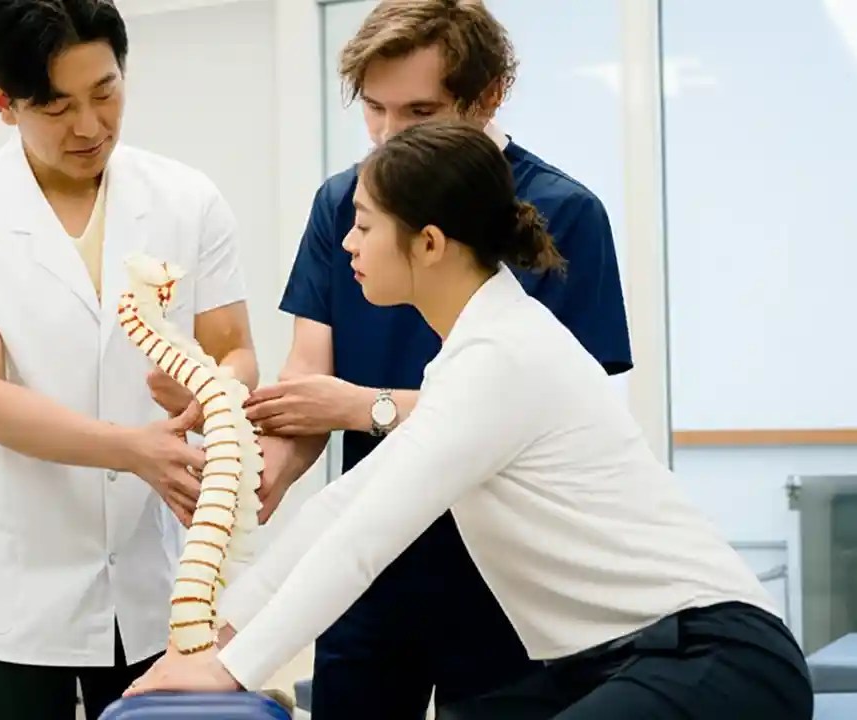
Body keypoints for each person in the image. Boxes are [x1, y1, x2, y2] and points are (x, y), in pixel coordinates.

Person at [124, 119, 814, 719]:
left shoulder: (502, 358)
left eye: (363, 224)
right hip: (631, 665)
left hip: (711, 656)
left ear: (428, 243)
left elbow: (367, 537)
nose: (347, 245)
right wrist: (221, 633)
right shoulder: (473, 354)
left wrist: (229, 671)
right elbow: (341, 507)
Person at [240, 1, 630, 716]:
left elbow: (552, 414)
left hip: (510, 582)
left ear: (488, 97)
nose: (388, 137)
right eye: (375, 110)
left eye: (420, 112)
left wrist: (364, 405)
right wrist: (258, 475)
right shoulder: (342, 206)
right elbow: (307, 379)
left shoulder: (564, 212)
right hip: (373, 565)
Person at [0, 1, 257, 718]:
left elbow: (237, 352)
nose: (90, 126)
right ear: (3, 102)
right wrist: (133, 450)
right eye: (57, 105)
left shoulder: (188, 200)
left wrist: (209, 399)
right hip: (13, 594)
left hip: (160, 586)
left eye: (105, 92)